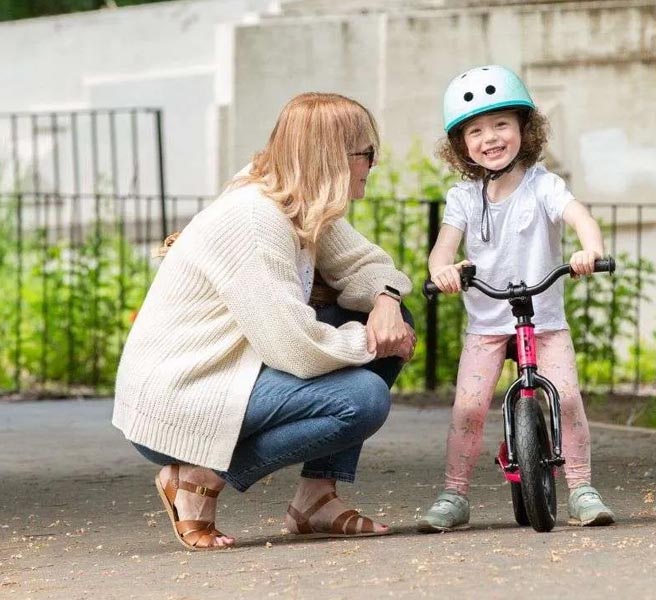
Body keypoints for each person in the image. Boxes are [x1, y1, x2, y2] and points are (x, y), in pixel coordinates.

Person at [113, 92, 416, 550]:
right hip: (185, 392)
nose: (371, 165)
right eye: (366, 154)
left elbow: (364, 263)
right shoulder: (255, 217)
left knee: (385, 317)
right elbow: (292, 348)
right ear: (331, 158)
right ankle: (197, 477)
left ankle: (316, 500)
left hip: (234, 373)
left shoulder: (296, 197)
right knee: (362, 399)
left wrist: (388, 300)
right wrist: (372, 342)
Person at [417, 65, 614, 532]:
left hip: (541, 317)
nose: (491, 138)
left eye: (502, 124)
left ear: (525, 129)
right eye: (476, 130)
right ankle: (455, 493)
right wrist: (443, 271)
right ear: (461, 144)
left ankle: (582, 489)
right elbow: (443, 248)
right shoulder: (464, 197)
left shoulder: (542, 185)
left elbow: (577, 215)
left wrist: (591, 248)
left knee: (566, 399)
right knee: (467, 408)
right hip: (487, 321)